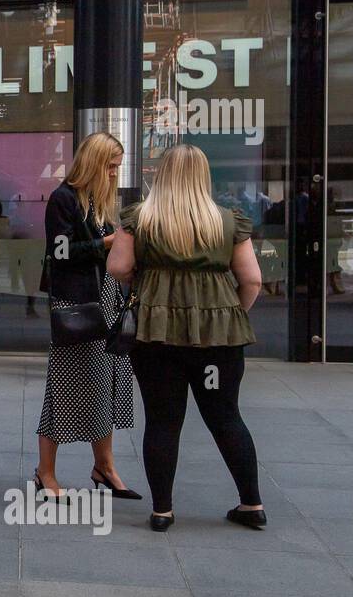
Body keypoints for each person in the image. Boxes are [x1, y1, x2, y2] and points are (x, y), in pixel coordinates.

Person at [108, 143, 265, 532]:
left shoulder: (140, 219)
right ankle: (252, 503)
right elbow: (253, 279)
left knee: (162, 421)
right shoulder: (227, 221)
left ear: (162, 176)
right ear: (203, 177)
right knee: (226, 417)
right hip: (218, 339)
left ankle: (163, 510)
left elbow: (118, 267)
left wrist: (145, 283)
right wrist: (231, 314)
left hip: (156, 335)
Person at [34, 132, 140, 500]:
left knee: (106, 384)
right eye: (111, 166)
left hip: (106, 297)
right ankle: (46, 472)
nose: (114, 173)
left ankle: (105, 466)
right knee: (65, 386)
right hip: (76, 303)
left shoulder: (100, 202)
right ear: (95, 163)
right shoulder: (64, 199)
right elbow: (60, 252)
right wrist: (106, 243)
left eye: (117, 166)